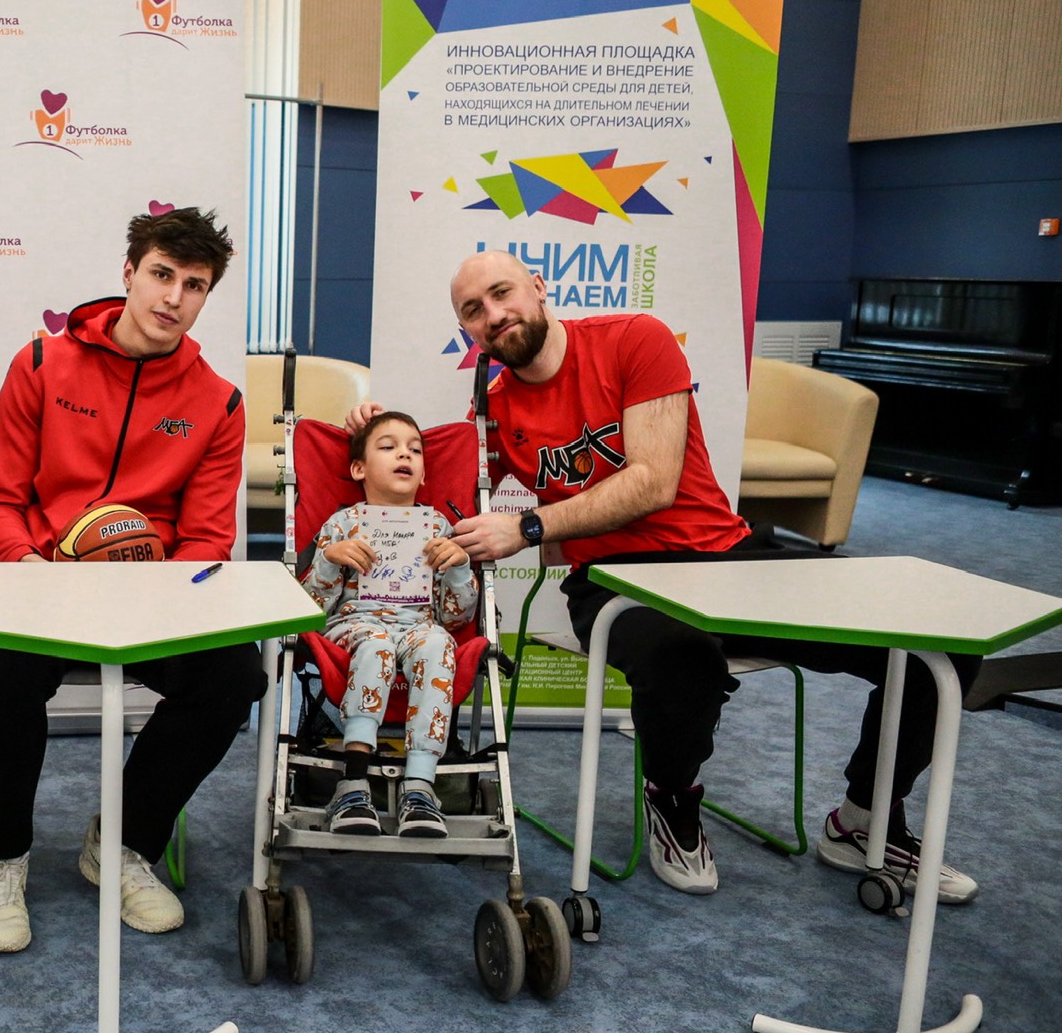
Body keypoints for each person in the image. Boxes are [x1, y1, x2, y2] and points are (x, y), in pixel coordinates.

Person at [350, 248, 977, 898]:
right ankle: (672, 797)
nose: (492, 315)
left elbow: (653, 481)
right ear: (470, 332)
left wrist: (530, 526)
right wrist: (375, 437)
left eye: (502, 293)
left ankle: (866, 818)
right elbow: (437, 486)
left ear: (539, 286)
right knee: (683, 656)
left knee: (941, 648)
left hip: (723, 556)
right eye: (473, 311)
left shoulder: (634, 340)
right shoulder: (499, 409)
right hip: (613, 578)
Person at [0, 206, 268, 953]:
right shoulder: (41, 363)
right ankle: (0, 860)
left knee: (233, 675)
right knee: (3, 671)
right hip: (39, 581)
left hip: (148, 596)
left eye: (194, 285)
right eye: (162, 275)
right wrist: (32, 570)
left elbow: (204, 541)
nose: (174, 297)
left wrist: (158, 598)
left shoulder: (219, 401)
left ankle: (125, 842)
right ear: (129, 273)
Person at [303, 410, 477, 838]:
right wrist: (329, 559)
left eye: (415, 450)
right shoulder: (342, 524)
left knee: (439, 645)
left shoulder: (437, 527)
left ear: (422, 474)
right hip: (355, 622)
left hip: (421, 621)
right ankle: (354, 780)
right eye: (389, 447)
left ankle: (420, 787)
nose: (405, 454)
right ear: (358, 469)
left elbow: (456, 618)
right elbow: (310, 607)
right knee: (377, 644)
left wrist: (457, 567)